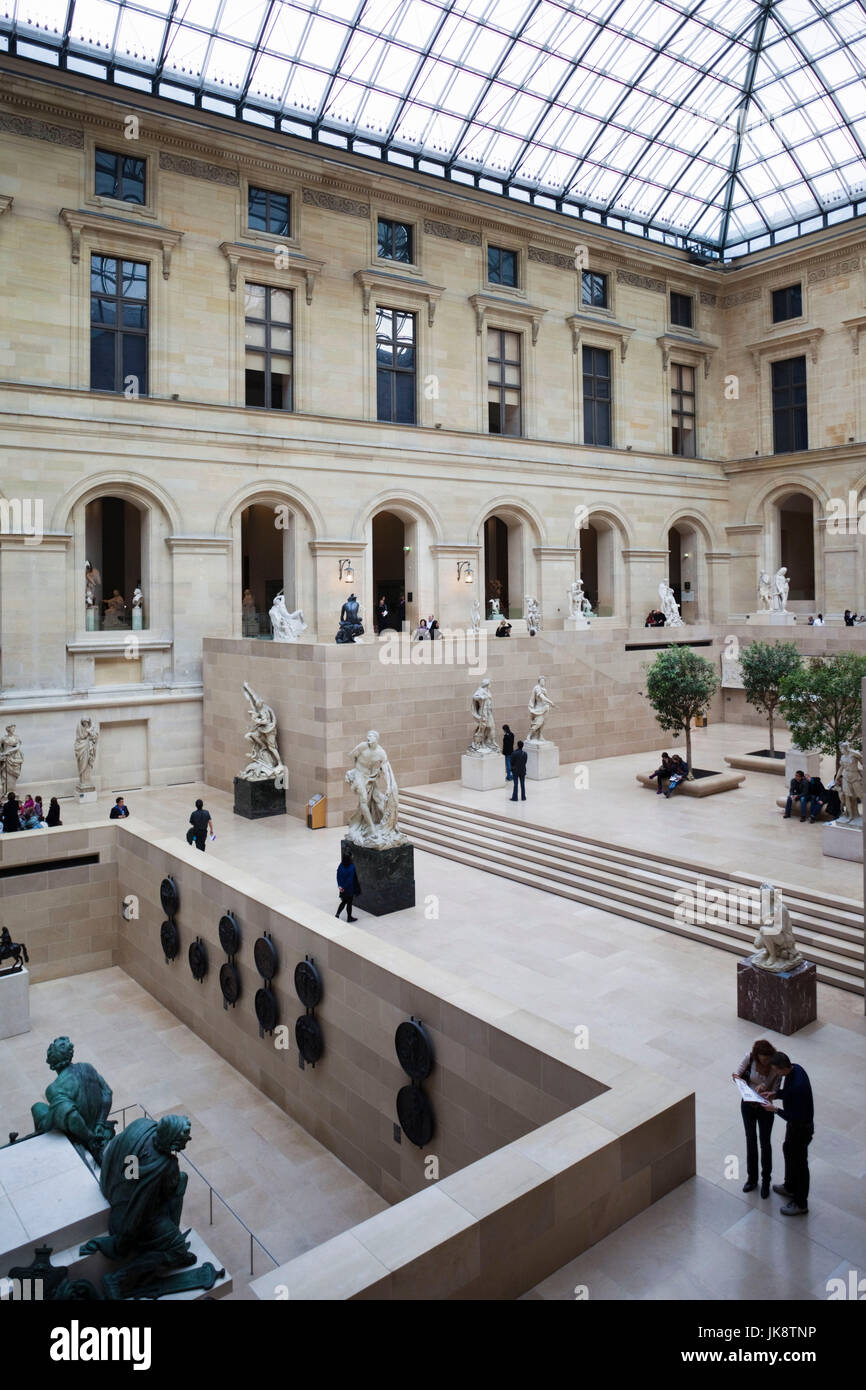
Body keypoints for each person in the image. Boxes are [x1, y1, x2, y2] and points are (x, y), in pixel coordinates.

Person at [762, 1052, 814, 1216]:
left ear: (783, 1068)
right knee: (788, 1152)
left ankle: (800, 1203)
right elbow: (789, 1092)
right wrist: (776, 1094)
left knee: (799, 1165)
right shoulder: (796, 1069)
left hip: (800, 1128)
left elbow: (796, 1117)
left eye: (777, 1071)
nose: (776, 1074)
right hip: (795, 1127)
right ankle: (790, 1186)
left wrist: (775, 1109)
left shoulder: (799, 1086)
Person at [732, 1039, 780, 1198]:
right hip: (748, 1105)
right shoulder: (749, 1058)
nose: (764, 1061)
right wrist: (744, 1086)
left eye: (767, 1058)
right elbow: (737, 1075)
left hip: (765, 1108)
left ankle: (766, 1180)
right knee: (750, 1140)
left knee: (765, 1144)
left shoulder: (775, 1067)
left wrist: (766, 1088)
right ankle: (752, 1178)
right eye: (762, 1058)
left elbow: (776, 1090)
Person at [335, 850, 361, 921]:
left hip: (342, 889)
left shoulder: (340, 866)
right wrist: (344, 887)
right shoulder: (351, 867)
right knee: (349, 903)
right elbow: (350, 880)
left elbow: (338, 876)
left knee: (343, 901)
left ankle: (337, 914)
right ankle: (349, 917)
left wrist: (340, 886)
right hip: (349, 889)